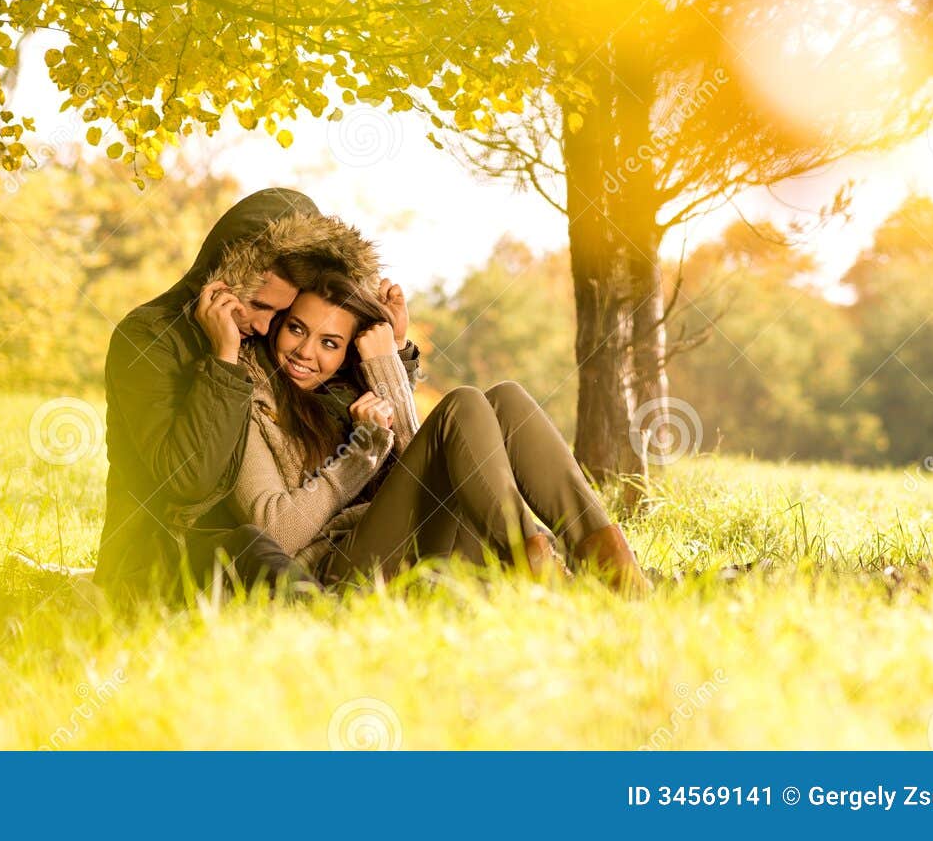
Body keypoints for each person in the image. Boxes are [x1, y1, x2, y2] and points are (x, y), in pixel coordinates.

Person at [227, 270, 651, 596]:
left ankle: (617, 573)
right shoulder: (253, 404)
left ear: (347, 353)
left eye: (330, 343)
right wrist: (358, 460)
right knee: (462, 403)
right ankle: (543, 573)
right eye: (297, 329)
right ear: (279, 324)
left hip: (414, 548)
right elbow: (276, 533)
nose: (305, 352)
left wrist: (388, 358)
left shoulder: (345, 396)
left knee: (506, 399)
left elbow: (423, 469)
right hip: (344, 572)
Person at [93, 188, 422, 603]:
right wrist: (224, 361)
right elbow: (188, 482)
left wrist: (393, 351)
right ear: (225, 278)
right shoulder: (147, 338)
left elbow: (356, 425)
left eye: (280, 314)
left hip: (275, 547)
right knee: (253, 546)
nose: (267, 327)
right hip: (168, 556)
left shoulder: (264, 343)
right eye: (258, 304)